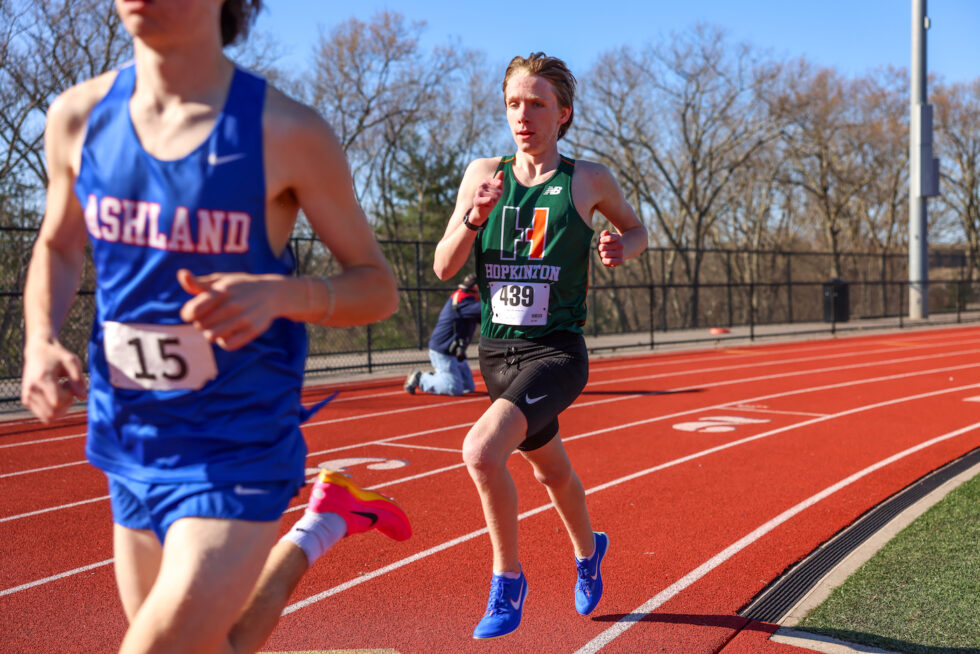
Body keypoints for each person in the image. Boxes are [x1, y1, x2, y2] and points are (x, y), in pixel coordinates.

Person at [19, 1, 411, 652]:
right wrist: (38, 337)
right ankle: (323, 526)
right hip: (130, 436)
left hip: (237, 444)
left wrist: (282, 293)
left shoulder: (285, 131)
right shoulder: (78, 118)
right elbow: (59, 246)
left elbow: (376, 287)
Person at [432, 52, 648, 638]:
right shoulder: (483, 173)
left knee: (481, 452)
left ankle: (508, 581)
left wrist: (621, 248)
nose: (522, 116)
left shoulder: (588, 179)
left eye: (536, 104)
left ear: (563, 114)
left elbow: (636, 228)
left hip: (556, 354)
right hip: (498, 356)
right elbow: (444, 266)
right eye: (513, 105)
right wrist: (475, 216)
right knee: (551, 471)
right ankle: (589, 551)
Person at [404, 272, 481, 396]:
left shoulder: (467, 299)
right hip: (443, 351)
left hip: (455, 352)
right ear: (476, 288)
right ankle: (421, 378)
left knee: (468, 387)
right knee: (454, 388)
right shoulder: (463, 300)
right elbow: (486, 311)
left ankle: (441, 376)